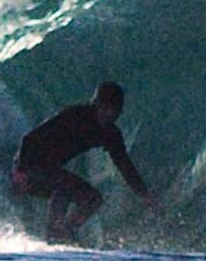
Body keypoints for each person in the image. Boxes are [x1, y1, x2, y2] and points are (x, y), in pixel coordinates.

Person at [10, 81, 155, 243]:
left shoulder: (110, 134)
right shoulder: (74, 115)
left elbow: (125, 166)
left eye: (113, 114)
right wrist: (21, 171)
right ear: (96, 105)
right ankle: (53, 232)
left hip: (49, 171)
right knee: (65, 186)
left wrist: (144, 195)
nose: (108, 117)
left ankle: (67, 231)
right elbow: (29, 139)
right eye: (105, 112)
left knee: (93, 199)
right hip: (28, 165)